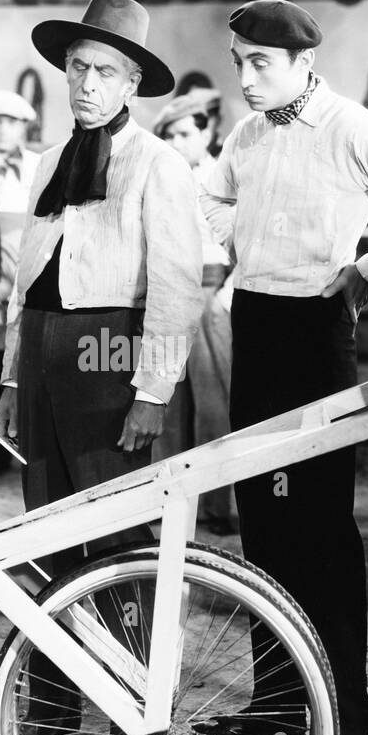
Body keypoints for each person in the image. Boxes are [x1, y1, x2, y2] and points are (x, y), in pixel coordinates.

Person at [194, 0, 368, 735]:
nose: (244, 78)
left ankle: (349, 727)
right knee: (265, 526)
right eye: (237, 61)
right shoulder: (246, 133)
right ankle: (279, 699)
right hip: (256, 332)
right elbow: (206, 199)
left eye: (259, 63)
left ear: (303, 62)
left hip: (317, 337)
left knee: (324, 536)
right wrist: (224, 243)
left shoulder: (352, 129)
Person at [0, 0, 203, 735]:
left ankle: (135, 721)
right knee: (46, 533)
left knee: (121, 548)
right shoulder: (48, 164)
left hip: (110, 358)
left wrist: (152, 391)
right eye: (77, 67)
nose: (84, 83)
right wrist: (15, 377)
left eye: (103, 71)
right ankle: (52, 708)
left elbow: (178, 287)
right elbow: (26, 285)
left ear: (130, 85)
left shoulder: (159, 165)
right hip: (45, 354)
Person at [152, 87, 238, 530]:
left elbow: (244, 242)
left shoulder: (223, 176)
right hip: (168, 291)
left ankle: (217, 505)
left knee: (213, 404)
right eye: (169, 135)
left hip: (211, 292)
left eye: (185, 133)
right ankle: (169, 501)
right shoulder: (160, 178)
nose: (177, 143)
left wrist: (224, 298)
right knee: (165, 400)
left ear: (205, 134)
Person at [0, 89, 41, 476]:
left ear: (24, 128)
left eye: (12, 123)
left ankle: (25, 450)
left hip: (22, 283)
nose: (3, 131)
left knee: (21, 366)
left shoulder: (38, 166)